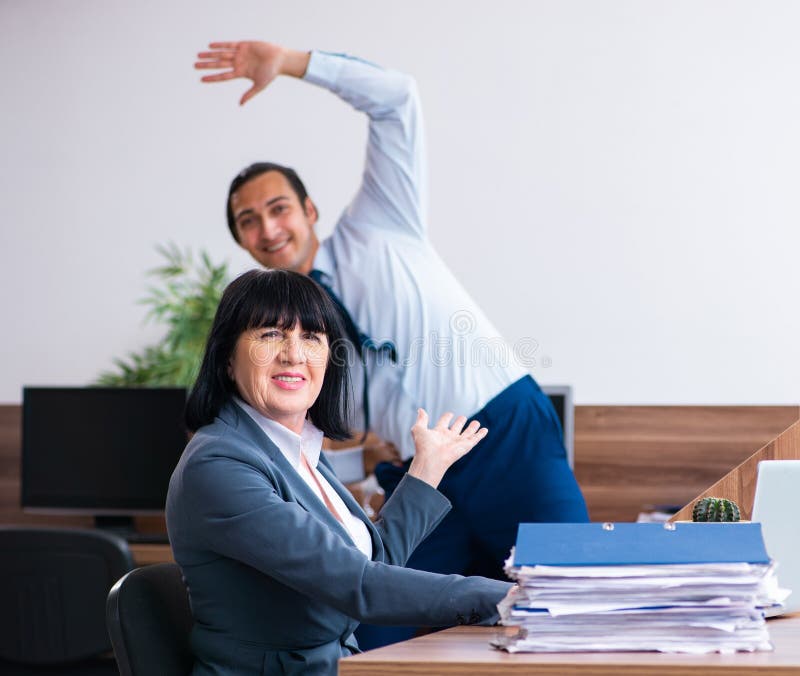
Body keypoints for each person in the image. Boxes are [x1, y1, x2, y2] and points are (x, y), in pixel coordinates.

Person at [195, 40, 589, 646]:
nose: (269, 228)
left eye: (278, 208)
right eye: (249, 221)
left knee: (569, 600)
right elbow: (329, 432)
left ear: (309, 209)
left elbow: (397, 99)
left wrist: (292, 62)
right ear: (243, 242)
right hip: (422, 473)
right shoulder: (290, 343)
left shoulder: (383, 221)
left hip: (504, 434)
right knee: (375, 629)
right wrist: (335, 482)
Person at [165, 269, 511, 676]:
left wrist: (426, 469)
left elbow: (375, 563)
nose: (294, 354)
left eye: (311, 337)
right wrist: (517, 597)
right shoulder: (218, 465)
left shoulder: (300, 452)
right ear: (226, 357)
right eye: (269, 335)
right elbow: (359, 586)